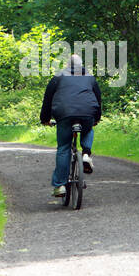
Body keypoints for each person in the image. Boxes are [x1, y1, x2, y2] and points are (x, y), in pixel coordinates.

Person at [39, 53, 102, 197]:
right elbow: (98, 98)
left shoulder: (58, 76)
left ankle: (60, 185)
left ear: (68, 65)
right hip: (87, 113)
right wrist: (96, 118)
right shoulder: (89, 77)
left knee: (63, 148)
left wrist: (45, 118)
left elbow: (47, 99)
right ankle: (86, 154)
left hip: (64, 114)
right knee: (88, 129)